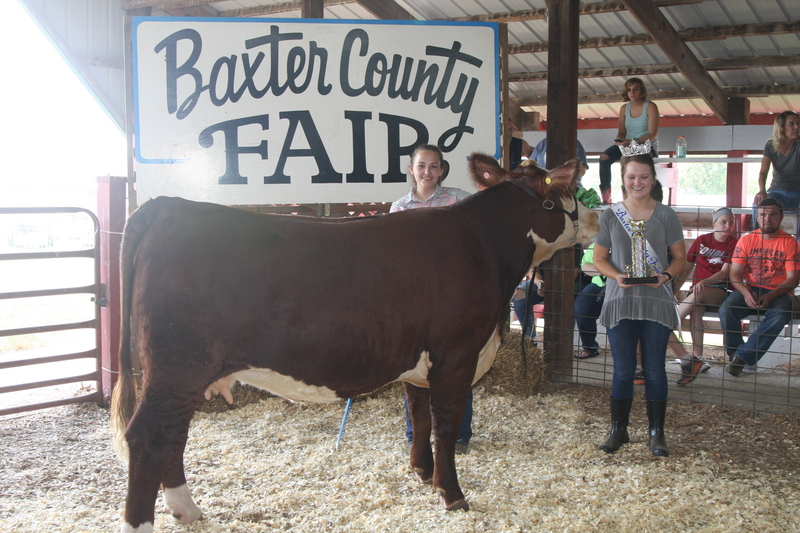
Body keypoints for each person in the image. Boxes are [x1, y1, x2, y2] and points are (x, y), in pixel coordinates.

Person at [592, 151, 686, 457]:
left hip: (656, 300)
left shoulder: (667, 215)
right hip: (621, 300)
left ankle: (657, 433)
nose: (637, 182)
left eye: (644, 177)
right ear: (623, 179)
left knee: (655, 368)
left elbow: (680, 256)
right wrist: (616, 276)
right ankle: (618, 430)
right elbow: (599, 258)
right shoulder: (610, 215)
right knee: (623, 370)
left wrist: (666, 276)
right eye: (631, 177)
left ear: (653, 179)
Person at [391, 143, 473, 454]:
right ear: (411, 169)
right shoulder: (399, 208)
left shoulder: (459, 201)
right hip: (413, 298)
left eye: (434, 166)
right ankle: (416, 435)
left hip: (453, 297)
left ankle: (459, 435)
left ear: (442, 170)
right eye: (422, 166)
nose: (428, 172)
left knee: (456, 363)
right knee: (413, 367)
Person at [719, 198, 799, 377]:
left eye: (773, 215)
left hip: (779, 291)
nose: (767, 219)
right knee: (726, 310)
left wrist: (771, 296)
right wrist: (746, 293)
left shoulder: (790, 242)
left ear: (781, 217)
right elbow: (735, 274)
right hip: (751, 288)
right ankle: (735, 356)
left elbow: (793, 279)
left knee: (781, 313)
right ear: (757, 217)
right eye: (763, 214)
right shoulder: (747, 240)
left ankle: (742, 357)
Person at [668, 207, 737, 386]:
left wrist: (704, 283)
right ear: (714, 224)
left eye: (731, 222)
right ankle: (698, 358)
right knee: (696, 310)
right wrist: (673, 291)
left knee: (699, 293)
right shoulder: (701, 240)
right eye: (723, 222)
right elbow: (687, 268)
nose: (728, 226)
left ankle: (670, 322)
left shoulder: (734, 243)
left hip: (720, 291)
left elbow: (724, 273)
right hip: (698, 292)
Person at [598, 78, 660, 205]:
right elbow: (621, 131)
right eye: (629, 90)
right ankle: (606, 197)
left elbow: (652, 135)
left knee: (630, 162)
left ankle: (628, 196)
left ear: (642, 91)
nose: (632, 92)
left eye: (636, 89)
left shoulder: (650, 106)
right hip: (627, 144)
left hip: (645, 145)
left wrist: (632, 142)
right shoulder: (624, 108)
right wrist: (620, 140)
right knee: (604, 157)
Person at [753, 111, 800, 228]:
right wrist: (762, 190)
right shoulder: (770, 145)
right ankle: (758, 236)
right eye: (792, 124)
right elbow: (763, 172)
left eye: (798, 123)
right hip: (777, 191)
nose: (797, 127)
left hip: (798, 191)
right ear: (781, 128)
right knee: (758, 204)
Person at [573, 243, 605, 359]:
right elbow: (585, 265)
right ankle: (589, 347)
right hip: (599, 283)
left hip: (622, 285)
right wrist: (605, 270)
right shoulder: (598, 243)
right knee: (581, 307)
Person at [512, 268, 544, 342]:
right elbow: (533, 270)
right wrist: (539, 282)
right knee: (519, 295)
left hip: (566, 283)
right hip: (542, 281)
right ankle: (529, 339)